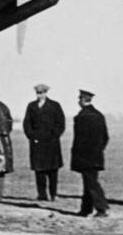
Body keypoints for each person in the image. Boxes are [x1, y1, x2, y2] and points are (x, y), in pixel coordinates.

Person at [22, 83, 66, 201]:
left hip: (51, 143)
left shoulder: (55, 105)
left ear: (46, 93)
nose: (40, 95)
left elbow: (60, 123)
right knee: (39, 170)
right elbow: (27, 124)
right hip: (37, 143)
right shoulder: (31, 106)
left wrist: (54, 135)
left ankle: (53, 194)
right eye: (38, 93)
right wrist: (31, 136)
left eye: (42, 93)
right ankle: (42, 194)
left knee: (53, 170)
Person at [71, 89, 109, 217]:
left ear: (82, 100)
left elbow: (79, 140)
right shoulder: (99, 115)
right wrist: (98, 150)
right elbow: (105, 137)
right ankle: (86, 209)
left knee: (91, 183)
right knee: (89, 182)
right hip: (96, 155)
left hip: (84, 156)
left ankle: (101, 208)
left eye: (79, 99)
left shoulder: (82, 116)